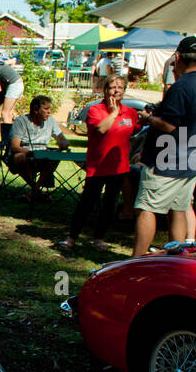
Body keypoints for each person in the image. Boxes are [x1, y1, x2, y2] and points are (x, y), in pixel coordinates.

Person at [58, 76, 139, 252]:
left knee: (110, 203)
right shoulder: (96, 110)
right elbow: (102, 129)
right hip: (98, 166)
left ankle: (99, 237)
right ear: (105, 90)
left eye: (120, 87)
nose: (116, 90)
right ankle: (71, 237)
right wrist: (114, 113)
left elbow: (136, 132)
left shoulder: (131, 113)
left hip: (119, 167)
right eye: (112, 87)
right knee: (87, 202)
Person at [132, 34, 196, 257]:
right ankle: (175, 259)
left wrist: (147, 119)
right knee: (178, 209)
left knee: (146, 209)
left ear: (178, 57)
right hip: (190, 159)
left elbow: (169, 125)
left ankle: (136, 260)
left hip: (166, 159)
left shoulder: (180, 88)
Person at [8, 93, 69, 195]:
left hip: (43, 156)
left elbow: (61, 139)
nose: (49, 112)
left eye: (49, 108)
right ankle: (37, 191)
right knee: (20, 157)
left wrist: (64, 143)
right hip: (25, 153)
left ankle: (35, 190)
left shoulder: (51, 121)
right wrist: (32, 153)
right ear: (36, 110)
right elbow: (14, 147)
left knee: (55, 156)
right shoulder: (21, 121)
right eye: (46, 109)